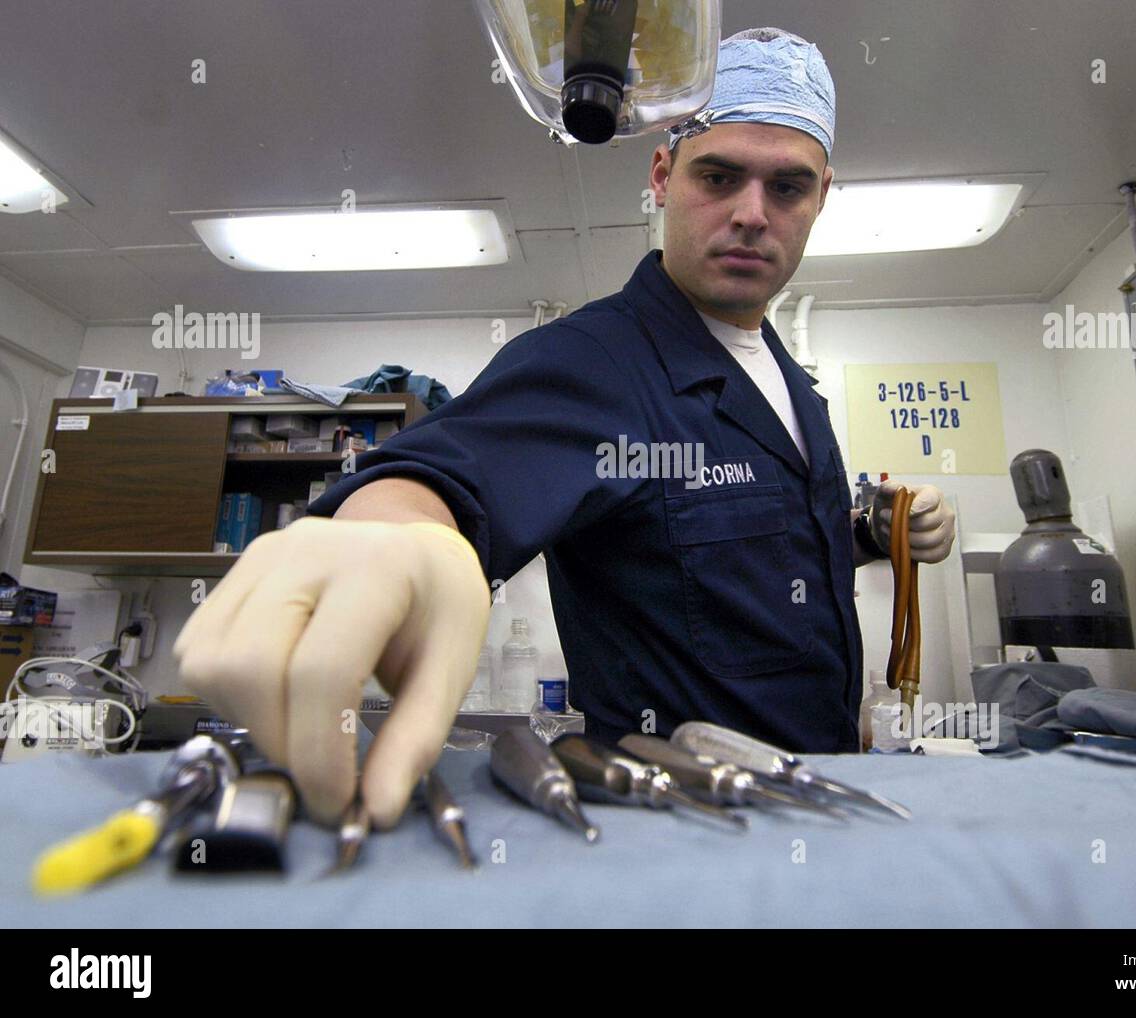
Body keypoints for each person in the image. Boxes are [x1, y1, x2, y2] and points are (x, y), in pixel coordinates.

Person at [175, 28, 956, 827]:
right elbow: (450, 478)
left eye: (787, 188)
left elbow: (757, 546)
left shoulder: (794, 387)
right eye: (719, 177)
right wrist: (393, 532)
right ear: (662, 175)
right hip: (679, 827)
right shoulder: (598, 364)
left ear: (823, 195)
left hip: (826, 796)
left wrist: (873, 528)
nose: (752, 215)